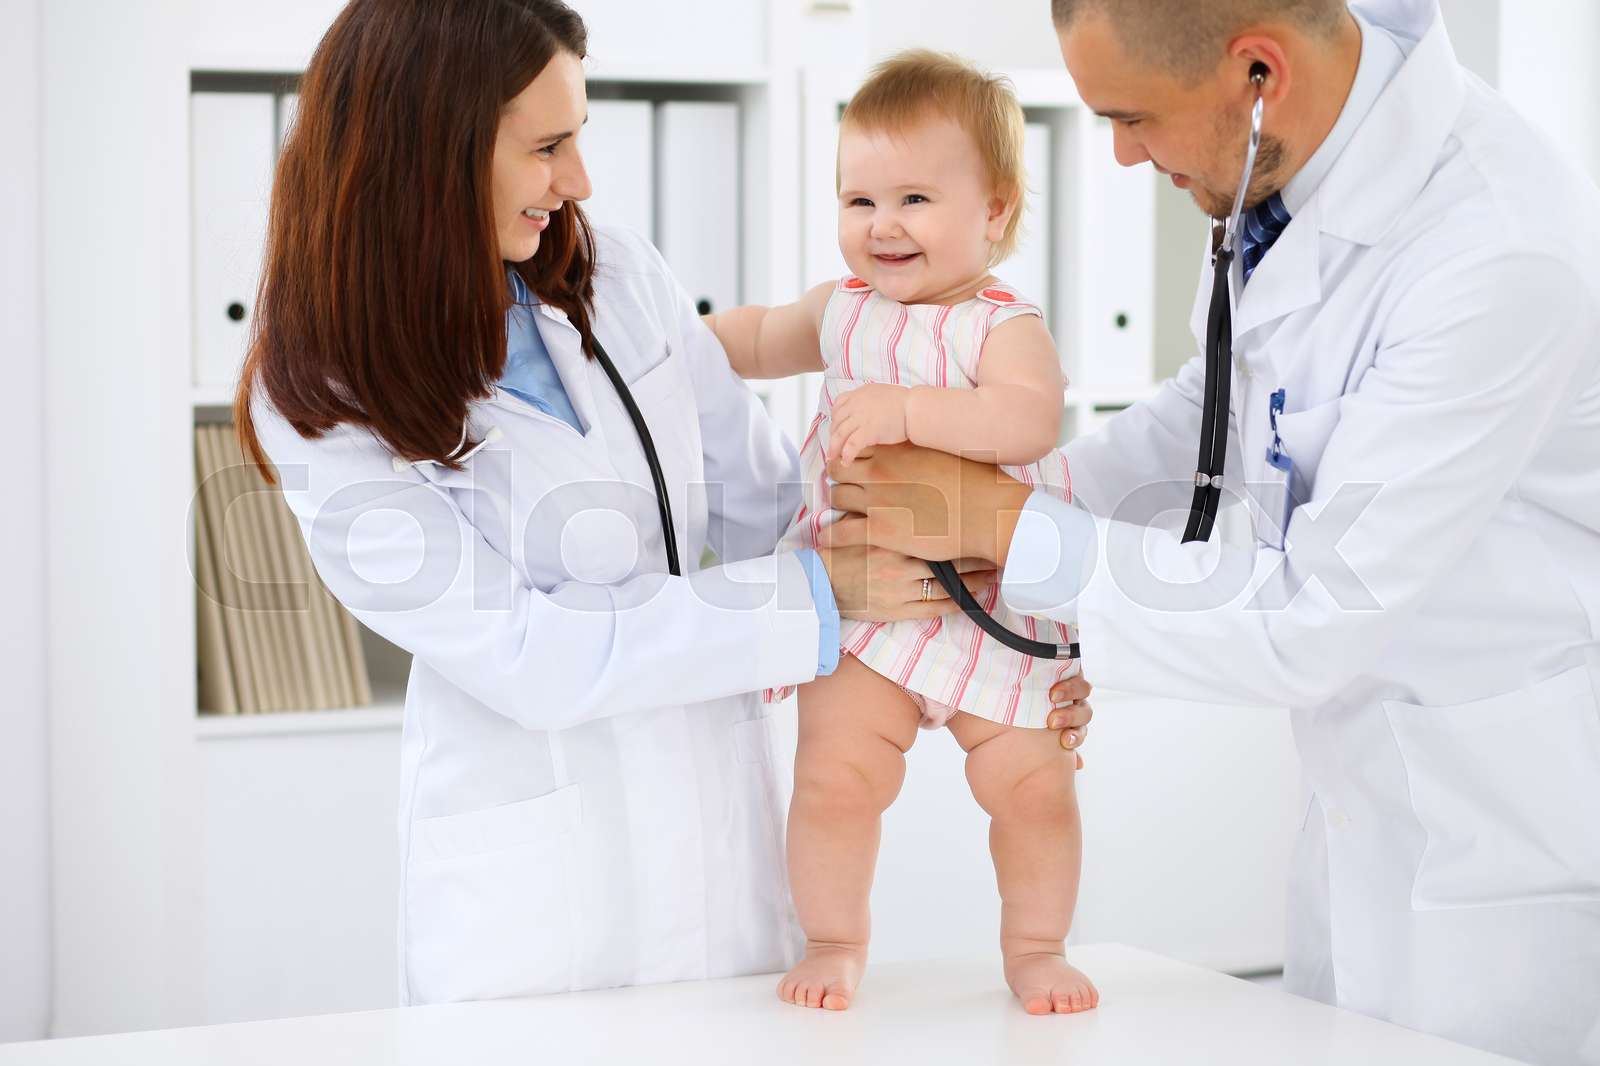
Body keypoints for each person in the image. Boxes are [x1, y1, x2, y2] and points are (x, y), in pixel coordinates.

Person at [231, 0, 1094, 1008]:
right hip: (536, 911)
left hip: (725, 853)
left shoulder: (615, 277)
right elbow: (520, 651)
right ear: (430, 152)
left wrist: (998, 639)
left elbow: (769, 500)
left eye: (578, 136)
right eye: (546, 146)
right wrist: (815, 598)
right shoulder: (322, 395)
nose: (579, 181)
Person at [823, 1, 1600, 1063]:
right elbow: (1214, 406)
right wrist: (991, 503)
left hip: (1498, 833)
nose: (1123, 153)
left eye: (1134, 116)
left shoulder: (1495, 251)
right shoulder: (1283, 175)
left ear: (1257, 74)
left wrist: (1007, 523)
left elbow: (1311, 618)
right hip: (1358, 809)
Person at [705, 51, 1096, 1015]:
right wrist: (650, 339)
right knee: (833, 780)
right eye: (858, 200)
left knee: (1033, 788)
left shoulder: (1003, 326)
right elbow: (751, 341)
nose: (881, 225)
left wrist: (907, 412)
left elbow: (1028, 423)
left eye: (915, 197)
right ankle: (835, 939)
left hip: (989, 607)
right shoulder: (841, 311)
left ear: (994, 211)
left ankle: (1037, 947)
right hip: (865, 597)